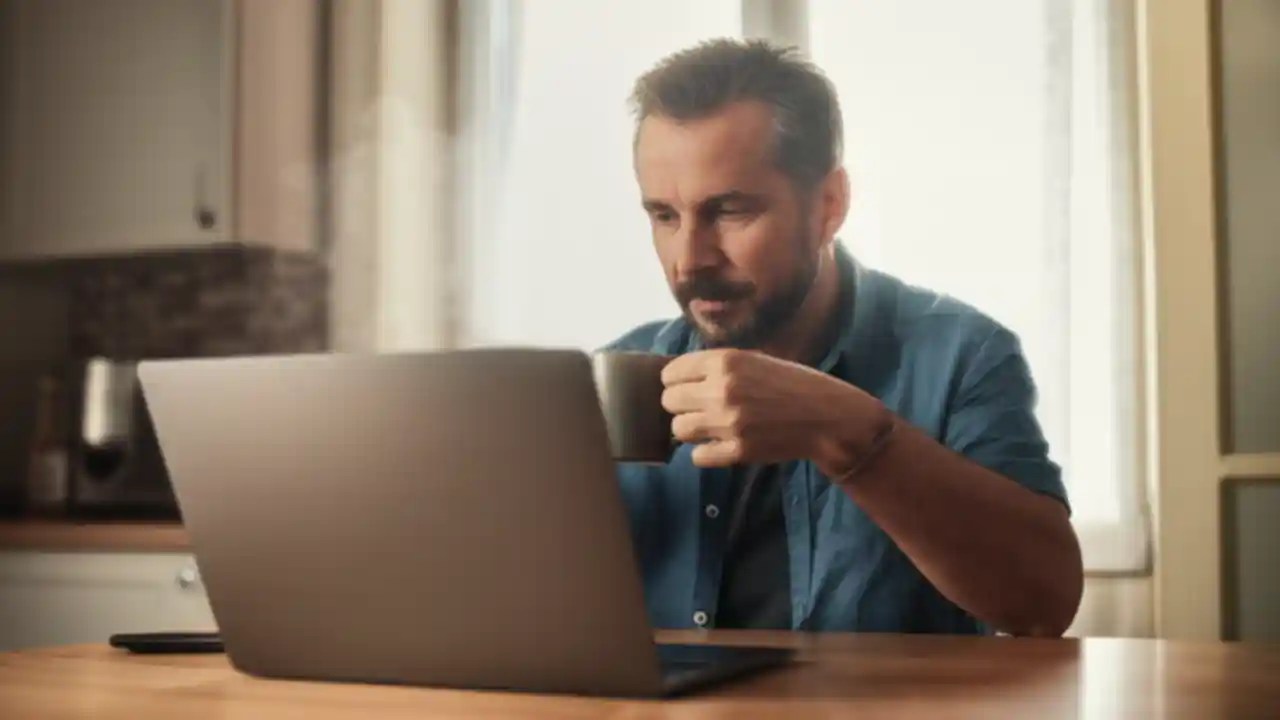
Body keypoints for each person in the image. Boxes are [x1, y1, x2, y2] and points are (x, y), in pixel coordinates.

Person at [609, 39, 1083, 637]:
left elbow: (1044, 604)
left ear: (830, 205)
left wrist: (848, 434)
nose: (689, 259)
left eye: (729, 211)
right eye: (665, 217)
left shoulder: (961, 355)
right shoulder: (625, 372)